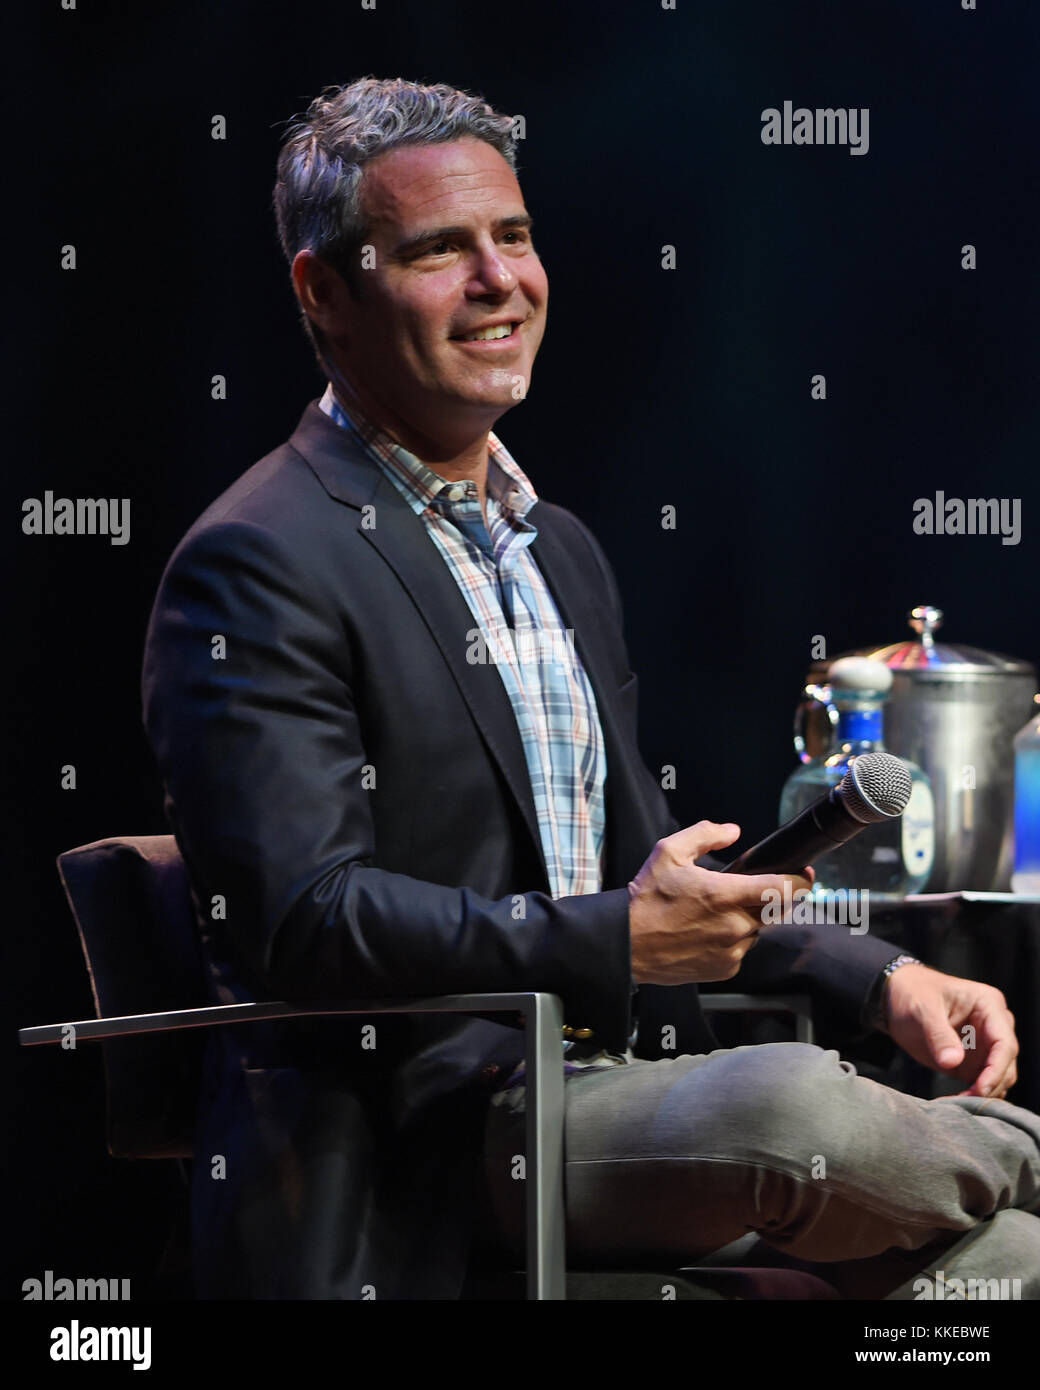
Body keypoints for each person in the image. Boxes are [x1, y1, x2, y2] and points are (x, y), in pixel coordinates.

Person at [141, 76, 1040, 1300]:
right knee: (788, 1106)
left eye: (511, 235)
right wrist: (614, 935)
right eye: (438, 250)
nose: (497, 279)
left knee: (1005, 1269)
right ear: (324, 294)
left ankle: (999, 1180)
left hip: (613, 1100)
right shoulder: (261, 560)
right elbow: (304, 921)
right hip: (432, 1135)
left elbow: (644, 869)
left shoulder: (551, 544)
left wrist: (876, 975)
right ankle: (1012, 1154)